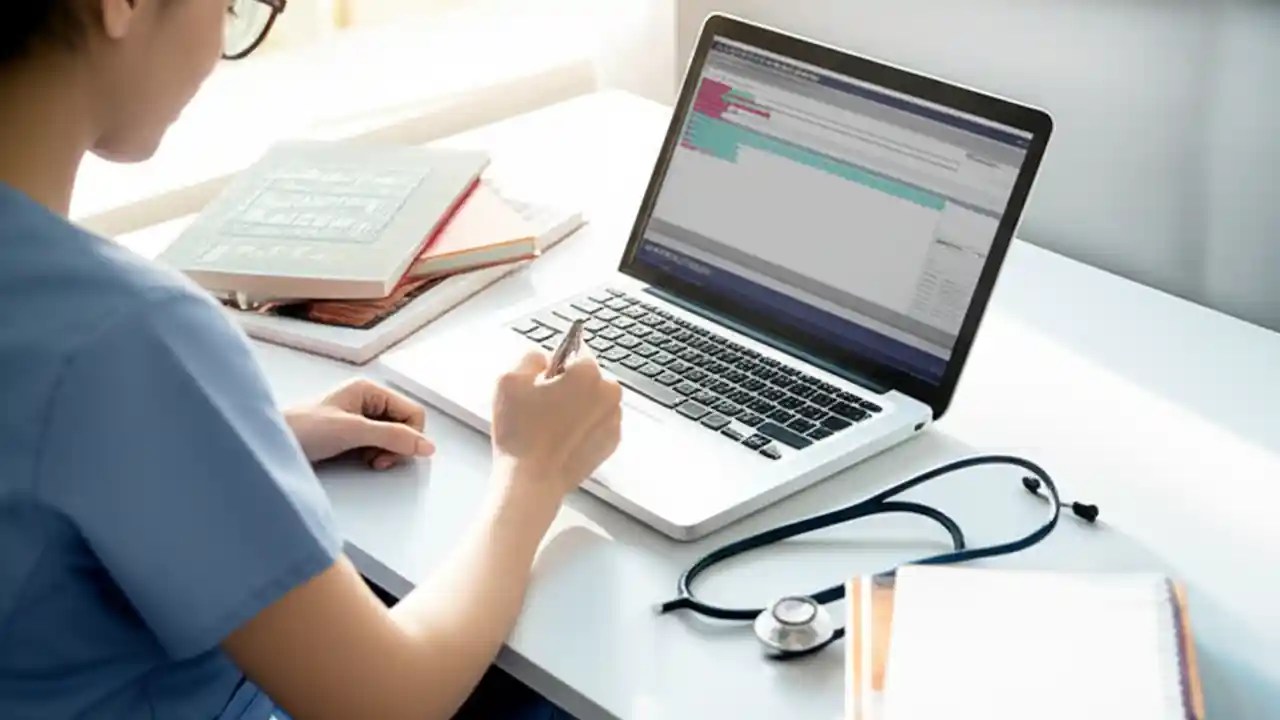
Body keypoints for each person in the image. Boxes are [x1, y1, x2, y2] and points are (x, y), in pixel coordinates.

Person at [0, 2, 623, 719]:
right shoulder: (121, 335)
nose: (219, 42)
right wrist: (534, 470)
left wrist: (224, 444)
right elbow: (390, 703)